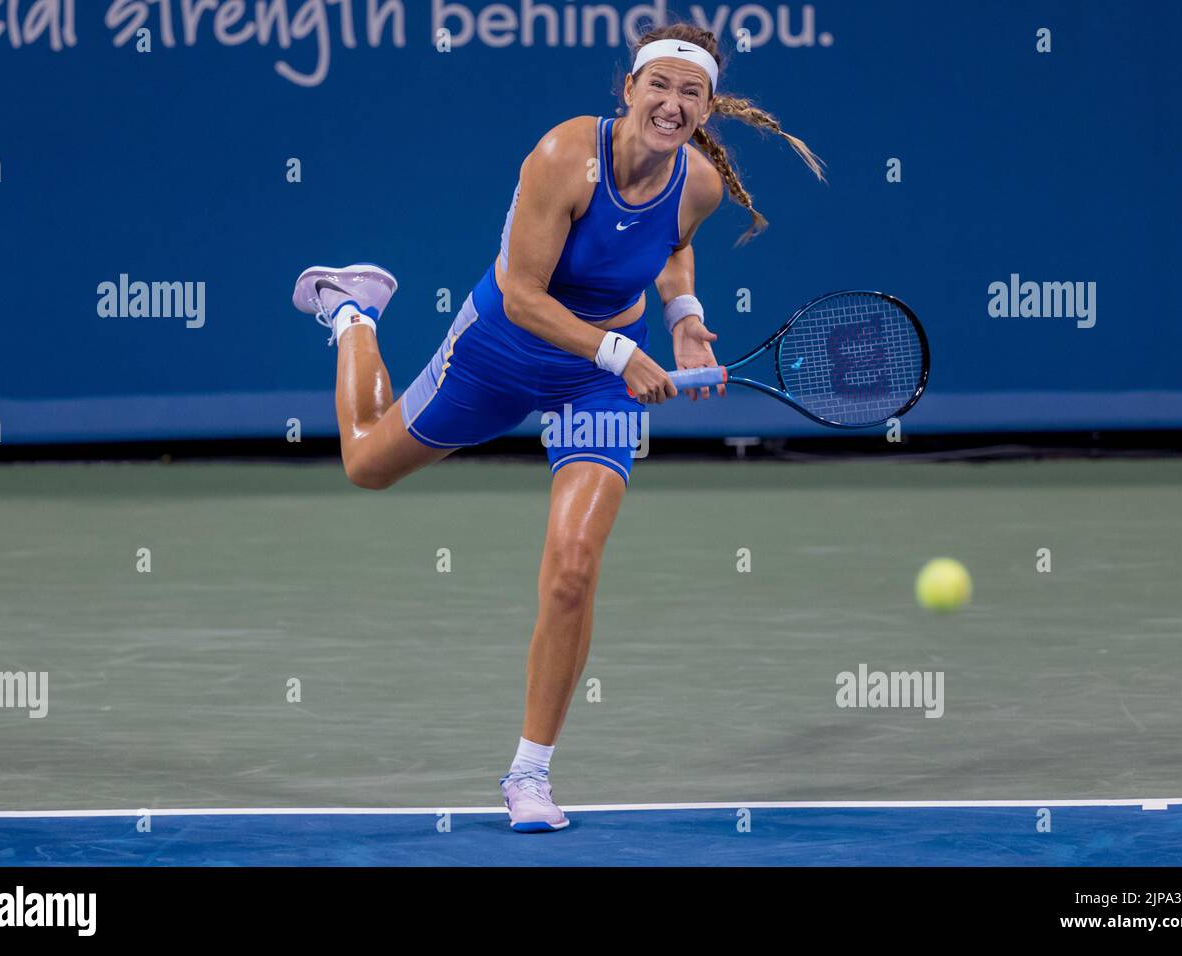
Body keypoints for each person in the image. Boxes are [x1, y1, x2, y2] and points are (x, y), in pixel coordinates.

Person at [291, 22, 824, 832]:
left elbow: (671, 248)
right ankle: (354, 313)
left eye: (692, 94)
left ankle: (528, 774)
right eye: (660, 87)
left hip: (597, 386)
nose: (673, 105)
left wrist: (683, 317)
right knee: (366, 461)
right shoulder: (562, 157)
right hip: (501, 349)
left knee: (573, 567)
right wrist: (617, 351)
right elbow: (523, 297)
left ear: (708, 108)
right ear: (629, 90)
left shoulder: (700, 185)